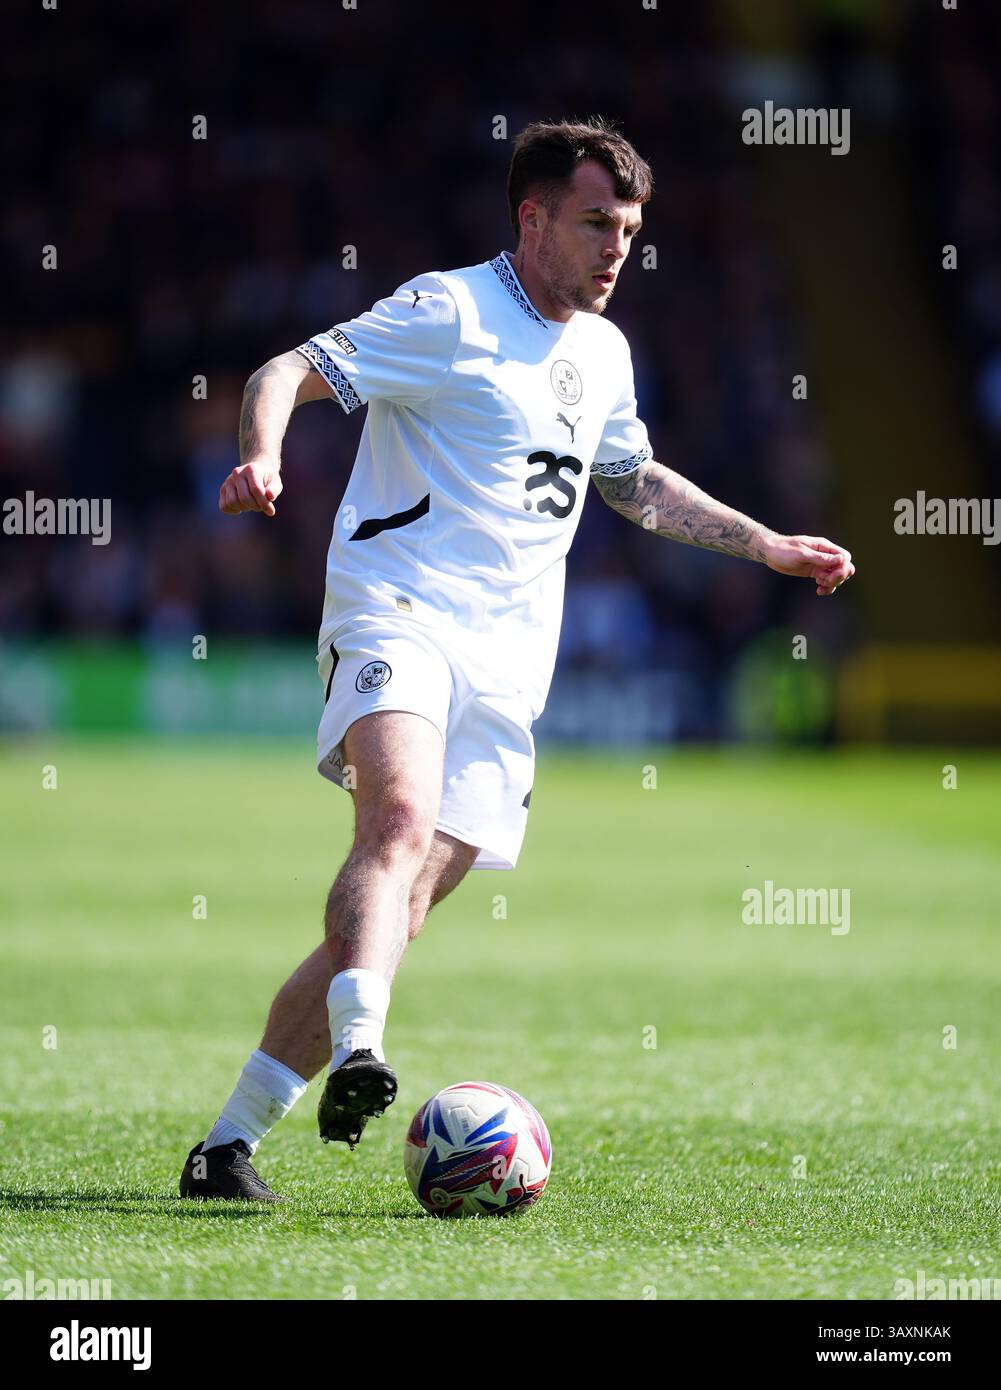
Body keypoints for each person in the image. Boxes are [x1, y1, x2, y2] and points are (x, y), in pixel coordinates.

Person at [180, 117, 854, 1200]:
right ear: (532, 218)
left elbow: (631, 481)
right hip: (395, 609)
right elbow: (285, 369)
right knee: (391, 825)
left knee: (395, 906)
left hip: (508, 663)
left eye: (628, 230)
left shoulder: (603, 352)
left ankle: (227, 1147)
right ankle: (362, 1051)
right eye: (594, 222)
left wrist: (764, 542)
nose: (614, 248)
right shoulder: (448, 308)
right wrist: (259, 455)